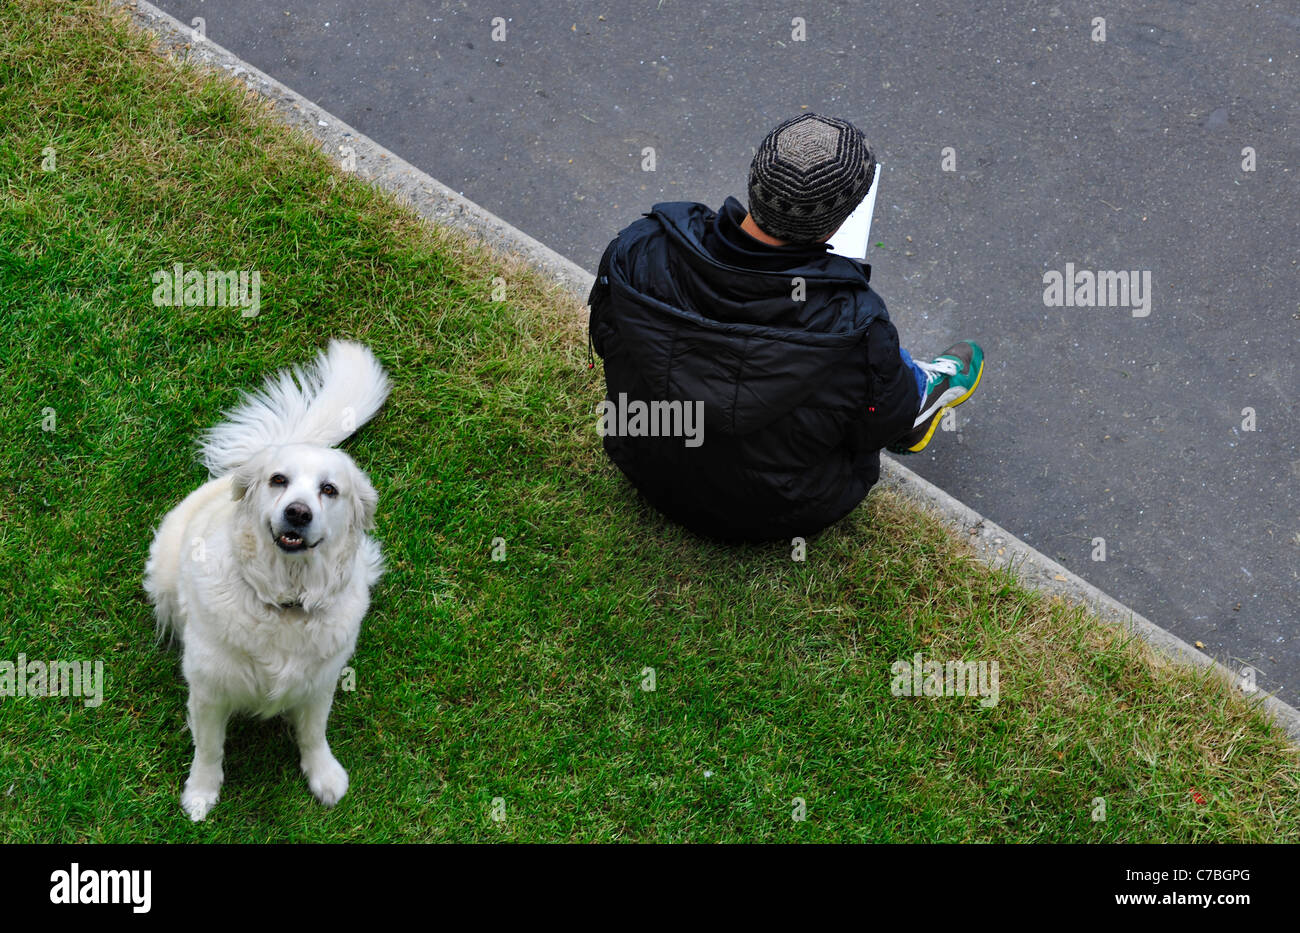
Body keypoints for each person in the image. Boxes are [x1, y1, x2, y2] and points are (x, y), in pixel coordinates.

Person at [587, 113, 983, 543]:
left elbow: (607, 341)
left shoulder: (641, 246)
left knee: (866, 356)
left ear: (754, 178)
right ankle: (921, 389)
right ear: (840, 222)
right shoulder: (853, 322)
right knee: (878, 364)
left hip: (643, 462)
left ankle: (907, 382)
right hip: (771, 514)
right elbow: (881, 429)